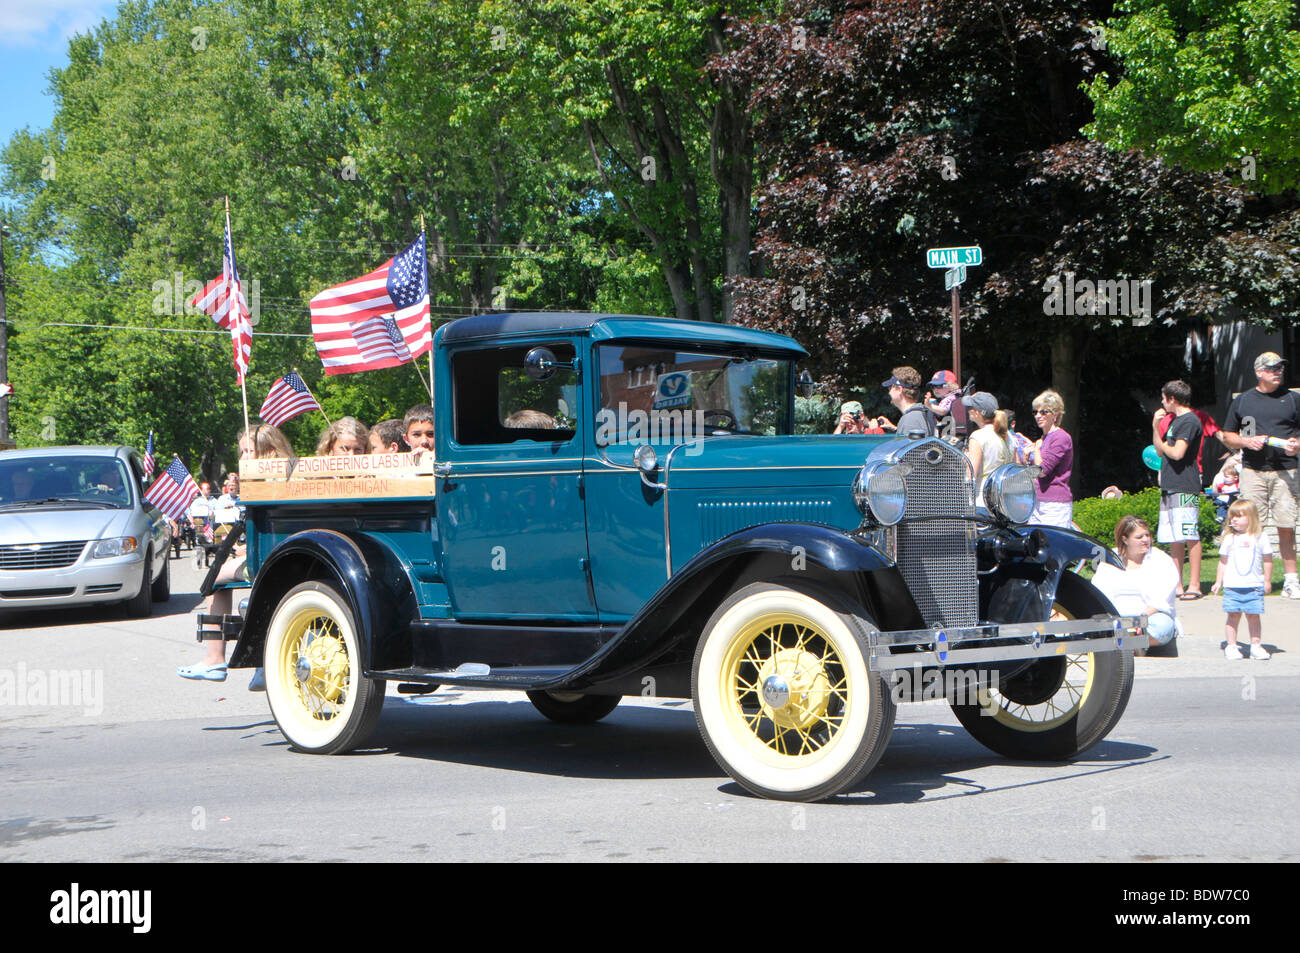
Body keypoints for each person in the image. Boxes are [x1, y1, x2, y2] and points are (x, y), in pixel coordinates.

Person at [178, 424, 296, 685]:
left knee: (215, 578)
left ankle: (214, 659)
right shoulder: (292, 480)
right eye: (241, 452)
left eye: (248, 452)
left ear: (270, 453)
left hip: (271, 558)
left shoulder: (263, 485)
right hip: (288, 554)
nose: (242, 459)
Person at [1220, 351, 1300, 599]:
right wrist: (1246, 441)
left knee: (1286, 525)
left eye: (1280, 368)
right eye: (1272, 368)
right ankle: (1252, 579)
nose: (1278, 372)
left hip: (1286, 470)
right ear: (1259, 372)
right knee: (1251, 526)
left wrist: (1296, 444)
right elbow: (1227, 435)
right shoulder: (1244, 401)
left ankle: (1290, 581)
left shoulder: (1293, 399)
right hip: (1253, 471)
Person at [1092, 515, 1180, 653]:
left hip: (1149, 617)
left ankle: (1131, 645)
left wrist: (1142, 618)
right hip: (1115, 617)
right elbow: (1098, 590)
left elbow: (1162, 599)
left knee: (1163, 626)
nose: (1146, 540)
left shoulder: (1161, 560)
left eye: (1147, 535)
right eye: (1139, 537)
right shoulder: (1110, 559)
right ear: (1125, 539)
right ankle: (1128, 643)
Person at [1153, 379, 1204, 599]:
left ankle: (1194, 585)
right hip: (1170, 484)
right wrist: (1155, 426)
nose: (1162, 403)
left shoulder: (1190, 421)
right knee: (1174, 536)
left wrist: (1165, 447)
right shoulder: (1174, 421)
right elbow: (1160, 451)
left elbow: (1177, 453)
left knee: (1189, 534)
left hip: (1186, 485)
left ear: (1172, 399)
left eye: (1164, 398)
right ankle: (1177, 585)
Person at [1210, 499, 1273, 659]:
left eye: (1239, 516)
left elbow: (1268, 560)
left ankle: (1256, 645)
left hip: (1253, 585)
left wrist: (1267, 580)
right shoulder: (1229, 538)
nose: (1234, 520)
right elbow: (1223, 562)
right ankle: (1231, 645)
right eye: (1232, 517)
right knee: (1233, 616)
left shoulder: (1260, 537)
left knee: (1253, 615)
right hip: (1233, 586)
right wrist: (1219, 581)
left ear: (1251, 518)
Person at [1027, 389, 1073, 527]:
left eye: (1043, 412)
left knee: (1054, 546)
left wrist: (1035, 449)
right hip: (1038, 501)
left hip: (1055, 505)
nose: (1038, 416)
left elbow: (1042, 470)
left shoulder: (1061, 437)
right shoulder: (1044, 438)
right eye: (1035, 412)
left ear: (1055, 414)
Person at [962, 392, 1012, 492]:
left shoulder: (977, 436)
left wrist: (965, 460)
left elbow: (971, 475)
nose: (967, 410)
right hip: (1005, 496)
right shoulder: (1008, 435)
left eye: (969, 407)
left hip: (983, 497)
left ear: (977, 413)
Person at [878, 367, 935, 437]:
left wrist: (874, 431)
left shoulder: (910, 420)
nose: (889, 392)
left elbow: (911, 446)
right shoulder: (920, 413)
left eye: (890, 387)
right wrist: (894, 428)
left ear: (899, 389)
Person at [924, 369, 969, 442]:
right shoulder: (956, 396)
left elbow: (943, 411)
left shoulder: (949, 398)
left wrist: (929, 406)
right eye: (933, 386)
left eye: (939, 386)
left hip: (951, 438)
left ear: (951, 386)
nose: (935, 389)